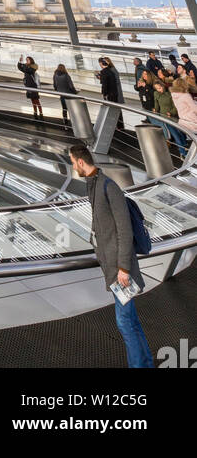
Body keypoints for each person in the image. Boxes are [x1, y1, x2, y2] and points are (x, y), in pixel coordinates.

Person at [69, 141, 153, 368]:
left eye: (72, 162)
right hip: (112, 266)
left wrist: (124, 268)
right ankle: (145, 363)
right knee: (131, 321)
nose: (72, 167)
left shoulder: (109, 187)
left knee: (124, 322)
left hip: (120, 269)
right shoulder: (93, 184)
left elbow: (125, 230)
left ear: (80, 161)